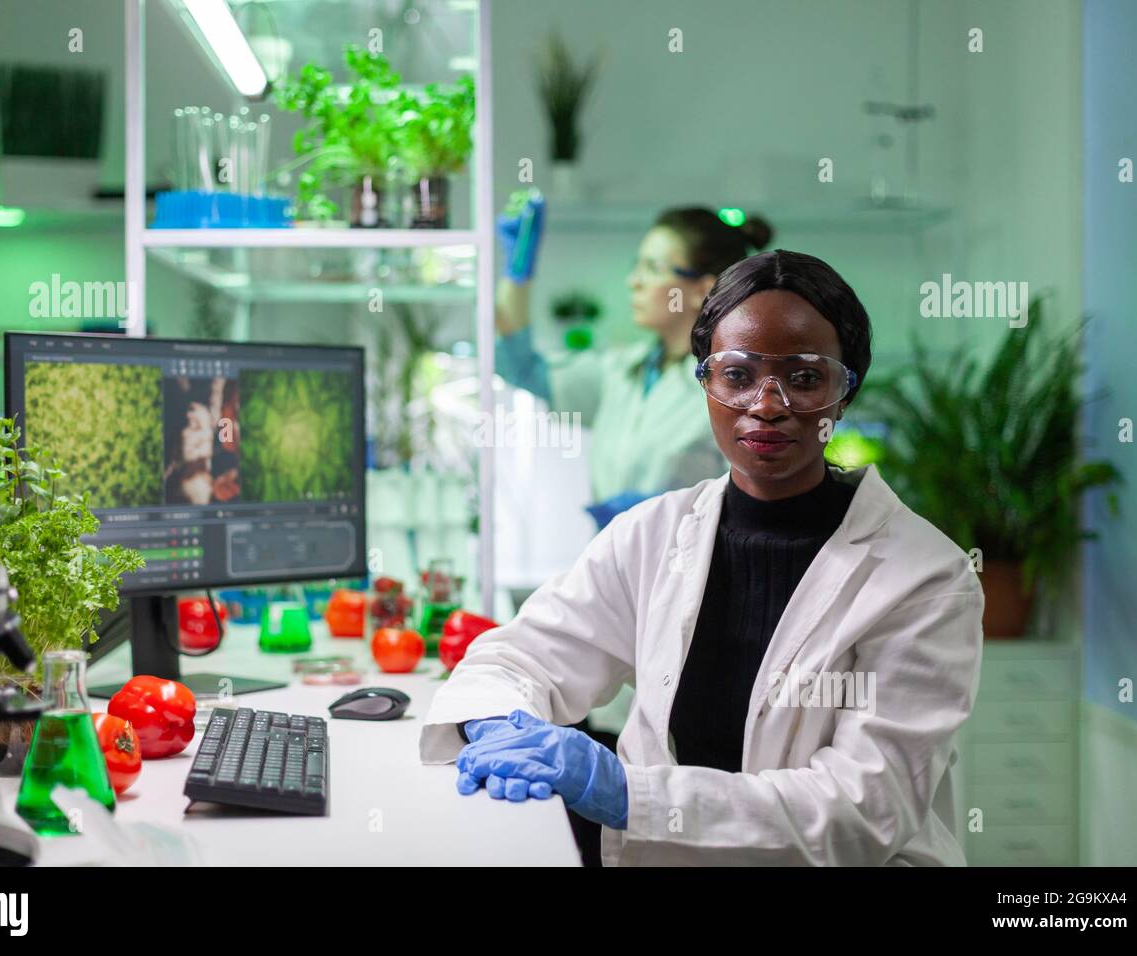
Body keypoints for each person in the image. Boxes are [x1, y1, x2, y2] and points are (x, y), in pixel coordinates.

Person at [420, 250, 985, 866]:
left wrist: (625, 792)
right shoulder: (650, 535)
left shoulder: (926, 577)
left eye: (803, 378)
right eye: (737, 375)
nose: (767, 405)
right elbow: (518, 656)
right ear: (705, 382)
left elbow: (863, 812)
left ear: (843, 393)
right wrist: (500, 723)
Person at [495, 198, 774, 519]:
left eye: (652, 269)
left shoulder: (735, 387)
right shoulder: (620, 371)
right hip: (616, 561)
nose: (634, 281)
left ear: (702, 289)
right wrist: (516, 271)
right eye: (636, 267)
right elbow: (520, 367)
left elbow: (760, 504)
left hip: (697, 565)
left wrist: (677, 515)